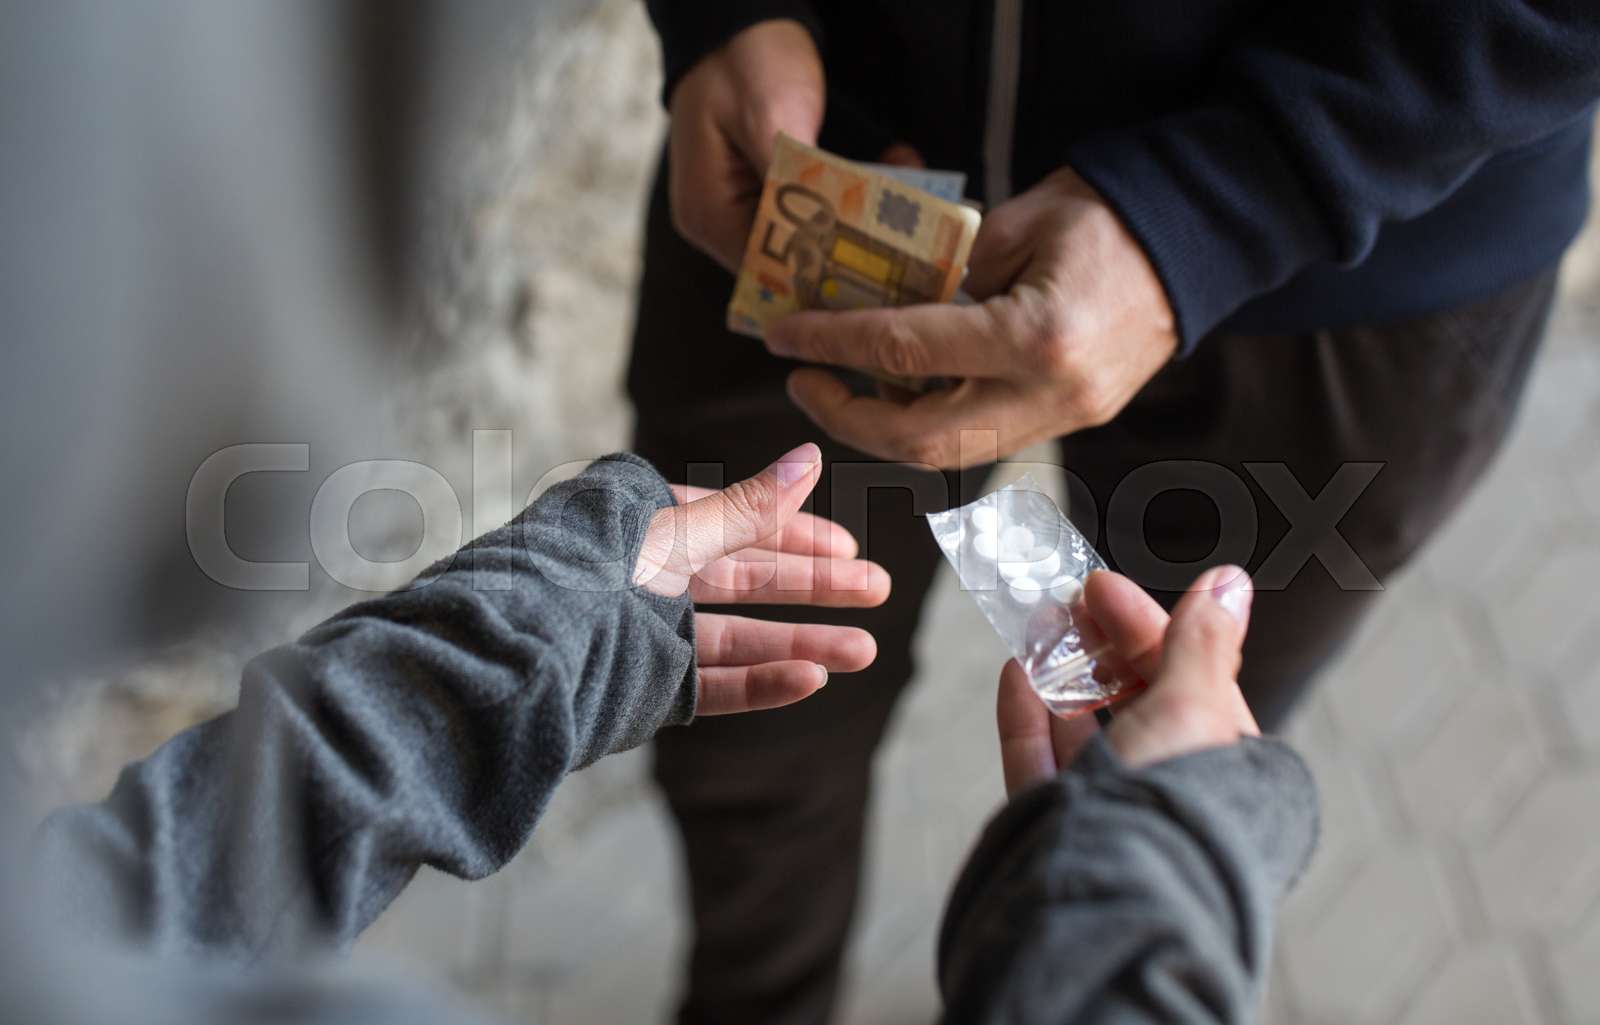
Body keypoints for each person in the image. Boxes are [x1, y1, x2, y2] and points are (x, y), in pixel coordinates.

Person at [630, 5, 1600, 1020]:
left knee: (1166, 755)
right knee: (746, 723)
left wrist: (1232, 194)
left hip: (1355, 249)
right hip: (830, 167)